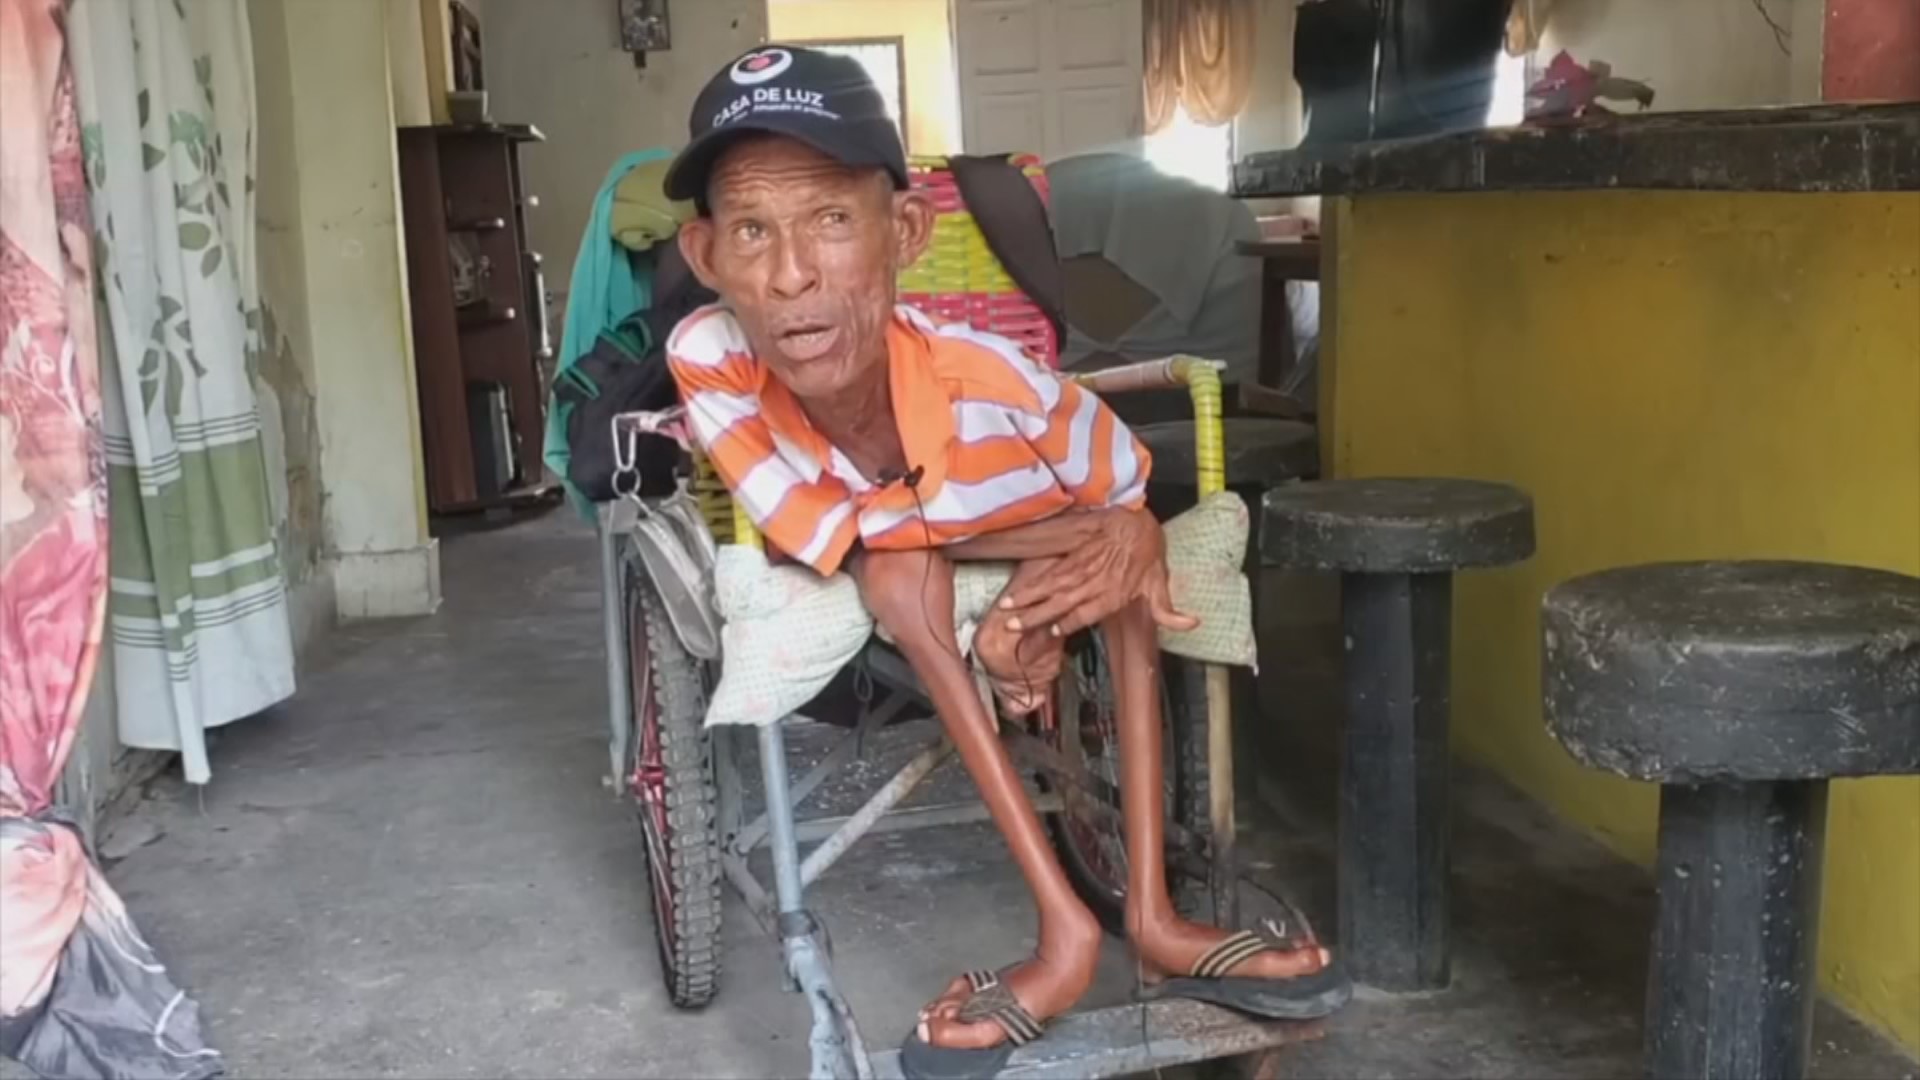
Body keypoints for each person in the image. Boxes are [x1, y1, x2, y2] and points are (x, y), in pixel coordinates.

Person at [662, 45, 1342, 1076]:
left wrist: (1107, 543)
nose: (790, 275)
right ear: (707, 256)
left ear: (905, 232)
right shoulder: (709, 353)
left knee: (1116, 553)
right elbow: (823, 529)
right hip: (934, 546)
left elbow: (1115, 476)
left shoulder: (995, 386)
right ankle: (1064, 936)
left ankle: (1152, 914)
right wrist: (1014, 607)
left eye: (832, 222)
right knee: (902, 569)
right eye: (752, 231)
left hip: (1034, 497)